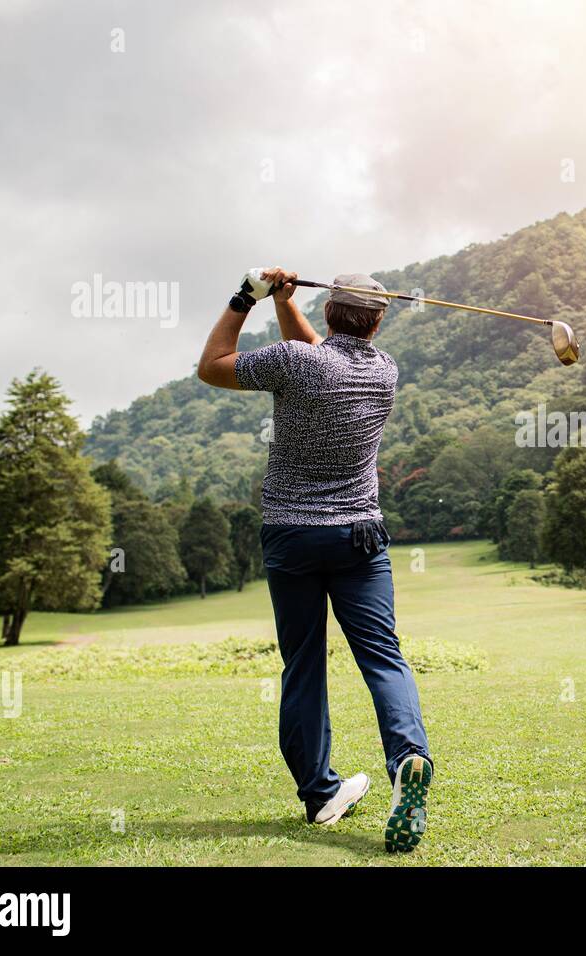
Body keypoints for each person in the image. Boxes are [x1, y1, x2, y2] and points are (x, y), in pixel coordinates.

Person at [197, 267, 432, 853]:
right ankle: (408, 756)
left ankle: (320, 791)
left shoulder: (296, 364)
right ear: (377, 321)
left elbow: (212, 365)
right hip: (359, 537)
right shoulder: (384, 371)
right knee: (383, 658)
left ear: (330, 312)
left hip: (292, 536)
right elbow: (322, 355)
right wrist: (285, 301)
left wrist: (245, 297)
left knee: (304, 665)